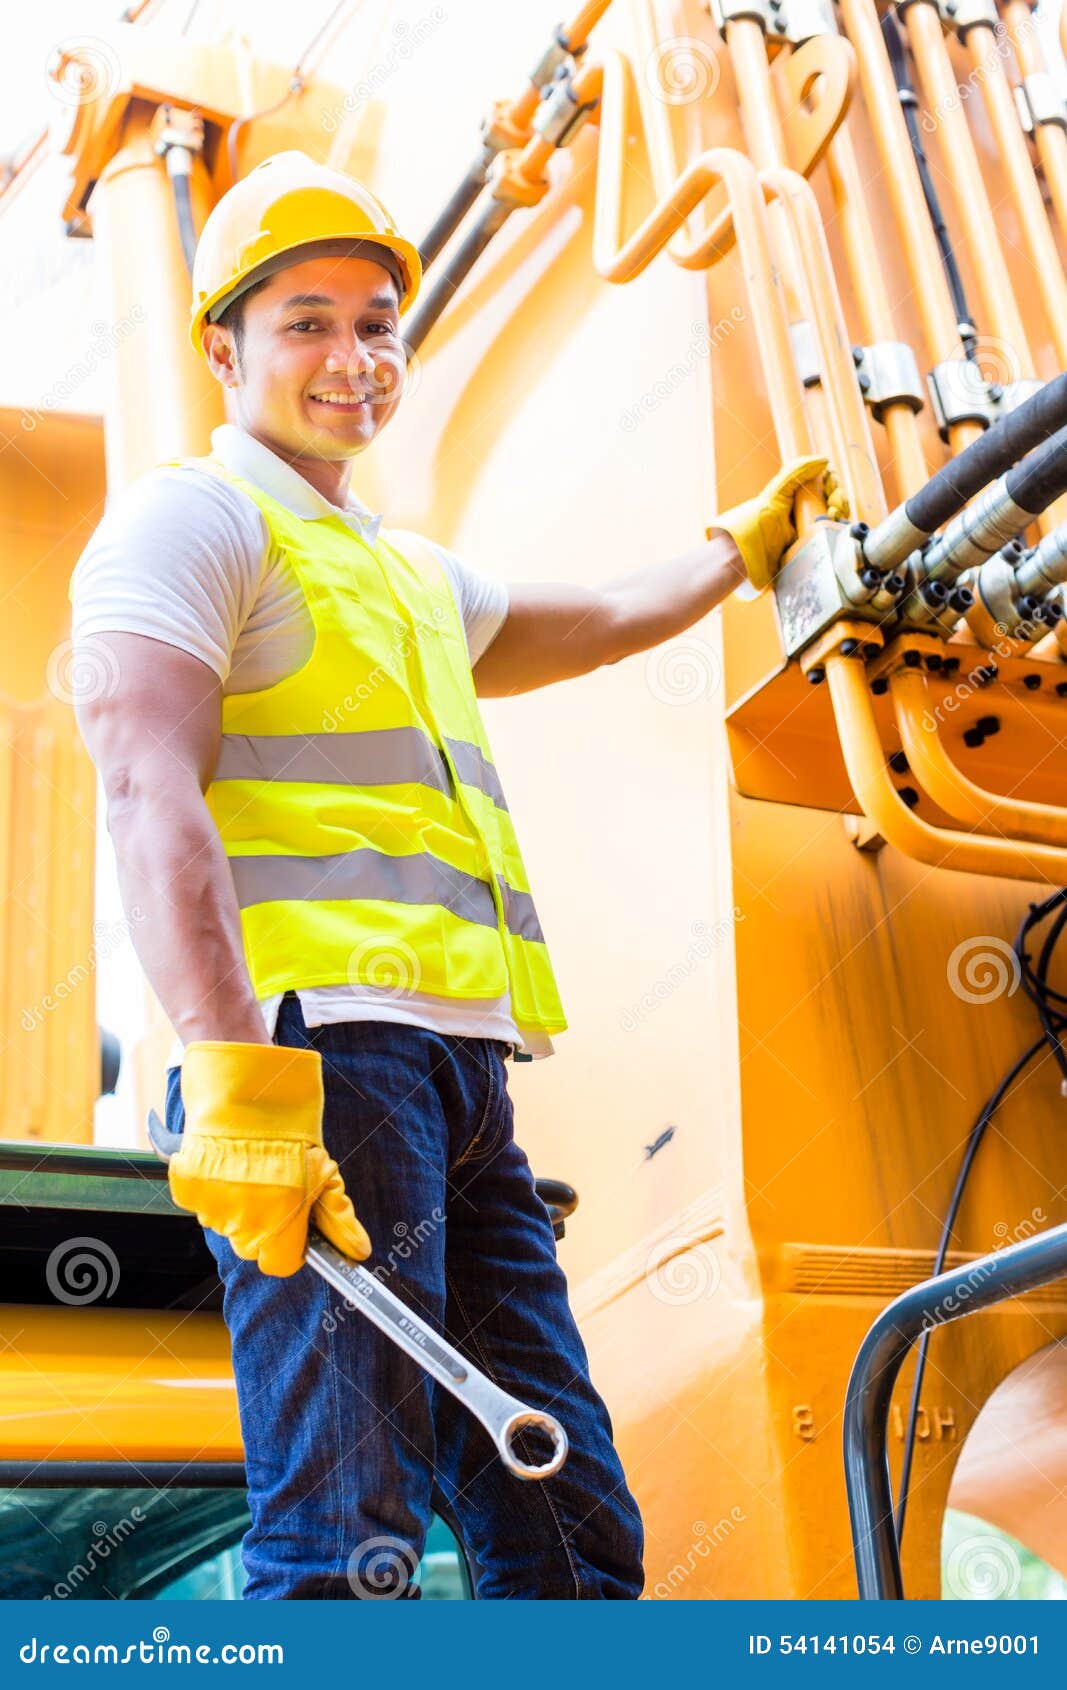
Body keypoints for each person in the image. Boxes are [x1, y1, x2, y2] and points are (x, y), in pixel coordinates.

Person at [71, 150, 838, 1600]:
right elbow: (142, 780)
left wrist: (741, 547)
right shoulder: (195, 523)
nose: (353, 356)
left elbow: (607, 613)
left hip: (462, 1079)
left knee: (566, 1521)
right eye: (307, 320)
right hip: (318, 1054)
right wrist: (237, 1082)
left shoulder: (404, 571)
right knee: (348, 1533)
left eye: (377, 324)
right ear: (222, 346)